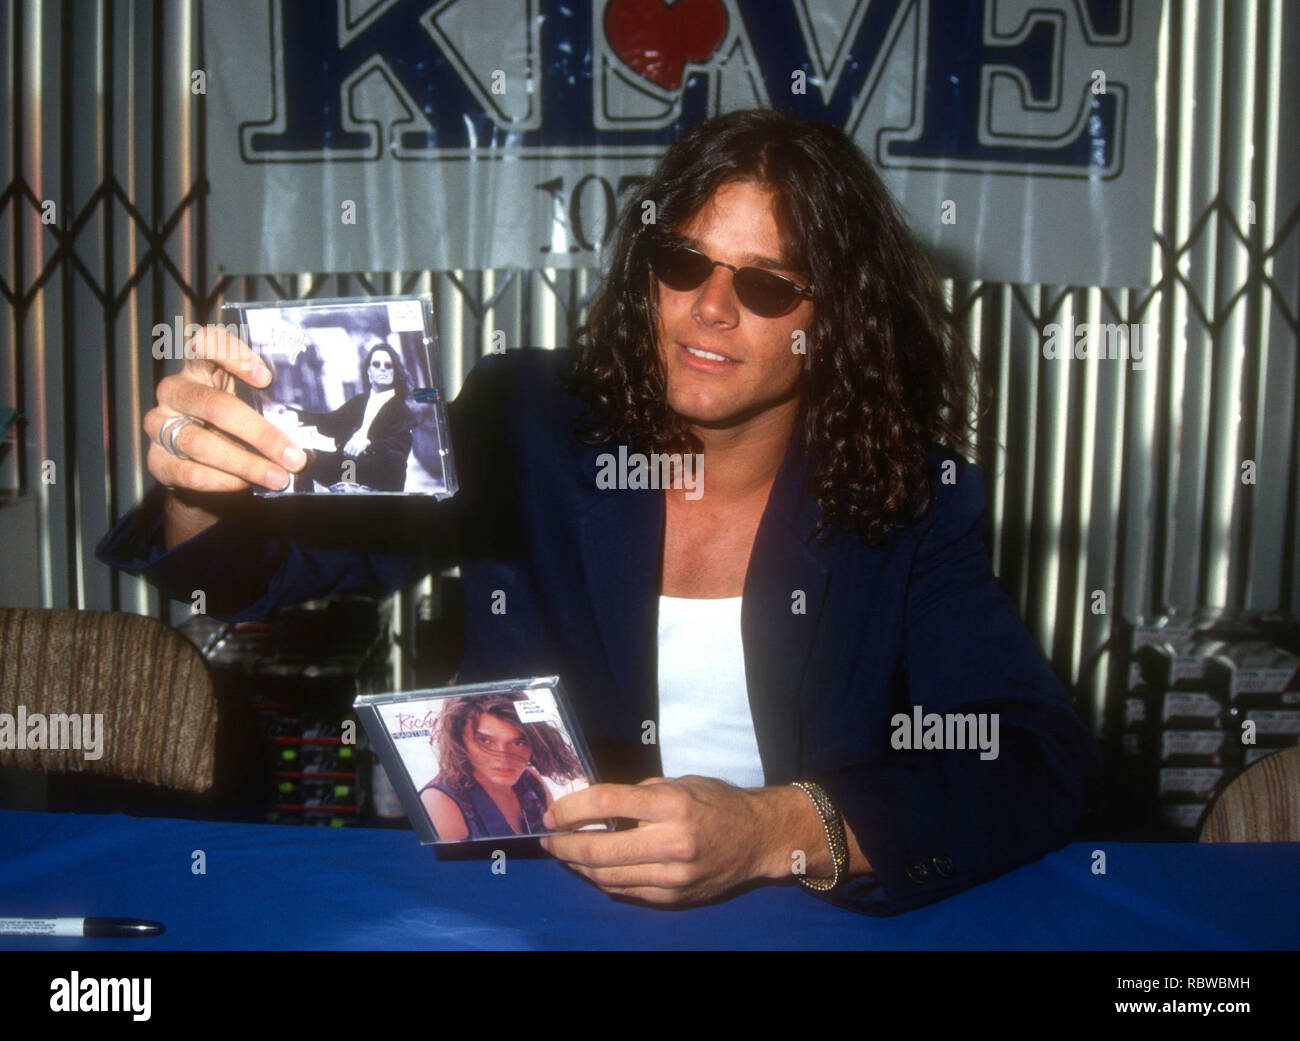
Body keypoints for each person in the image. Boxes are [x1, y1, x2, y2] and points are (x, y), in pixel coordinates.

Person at [99, 108, 1101, 916]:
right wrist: (198, 485)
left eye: (764, 285)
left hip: (794, 918)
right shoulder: (529, 424)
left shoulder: (908, 498)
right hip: (531, 906)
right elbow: (257, 576)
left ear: (836, 322)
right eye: (682, 263)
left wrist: (779, 831)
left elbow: (1029, 755)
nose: (709, 310)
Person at [419, 693, 587, 840]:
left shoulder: (531, 780)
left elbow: (557, 841)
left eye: (518, 742)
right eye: (484, 741)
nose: (503, 758)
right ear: (459, 741)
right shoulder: (438, 800)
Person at [284, 341, 414, 492]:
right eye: (376, 364)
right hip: (349, 468)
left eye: (388, 365)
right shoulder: (360, 401)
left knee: (354, 482)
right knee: (304, 457)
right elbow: (329, 423)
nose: (382, 369)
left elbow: (399, 448)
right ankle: (304, 509)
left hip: (377, 475)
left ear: (395, 372)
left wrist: (369, 445)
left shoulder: (401, 410)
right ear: (369, 371)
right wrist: (291, 412)